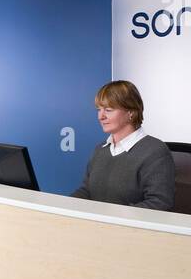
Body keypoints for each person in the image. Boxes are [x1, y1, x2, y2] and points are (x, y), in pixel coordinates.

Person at [70, 80, 175, 210]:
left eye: (108, 110)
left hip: (129, 228)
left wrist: (112, 216)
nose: (101, 116)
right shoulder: (100, 149)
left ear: (130, 112)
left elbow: (159, 203)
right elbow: (87, 191)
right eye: (99, 110)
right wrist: (65, 205)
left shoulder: (155, 152)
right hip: (99, 225)